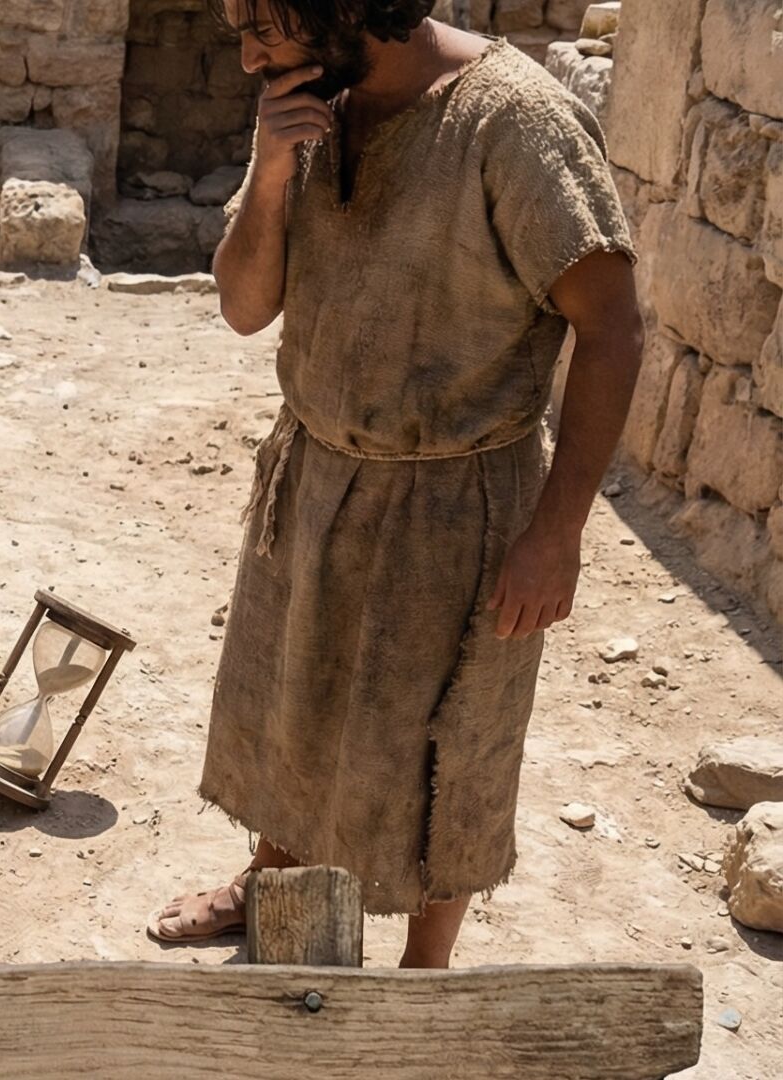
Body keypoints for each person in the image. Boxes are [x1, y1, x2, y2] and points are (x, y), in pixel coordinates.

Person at [147, 1, 641, 968]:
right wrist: (274, 171)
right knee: (291, 706)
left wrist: (558, 532)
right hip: (316, 471)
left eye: (263, 27)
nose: (248, 55)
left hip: (458, 507)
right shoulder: (307, 107)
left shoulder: (514, 122)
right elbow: (246, 307)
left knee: (446, 753)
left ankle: (424, 975)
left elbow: (613, 328)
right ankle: (272, 890)